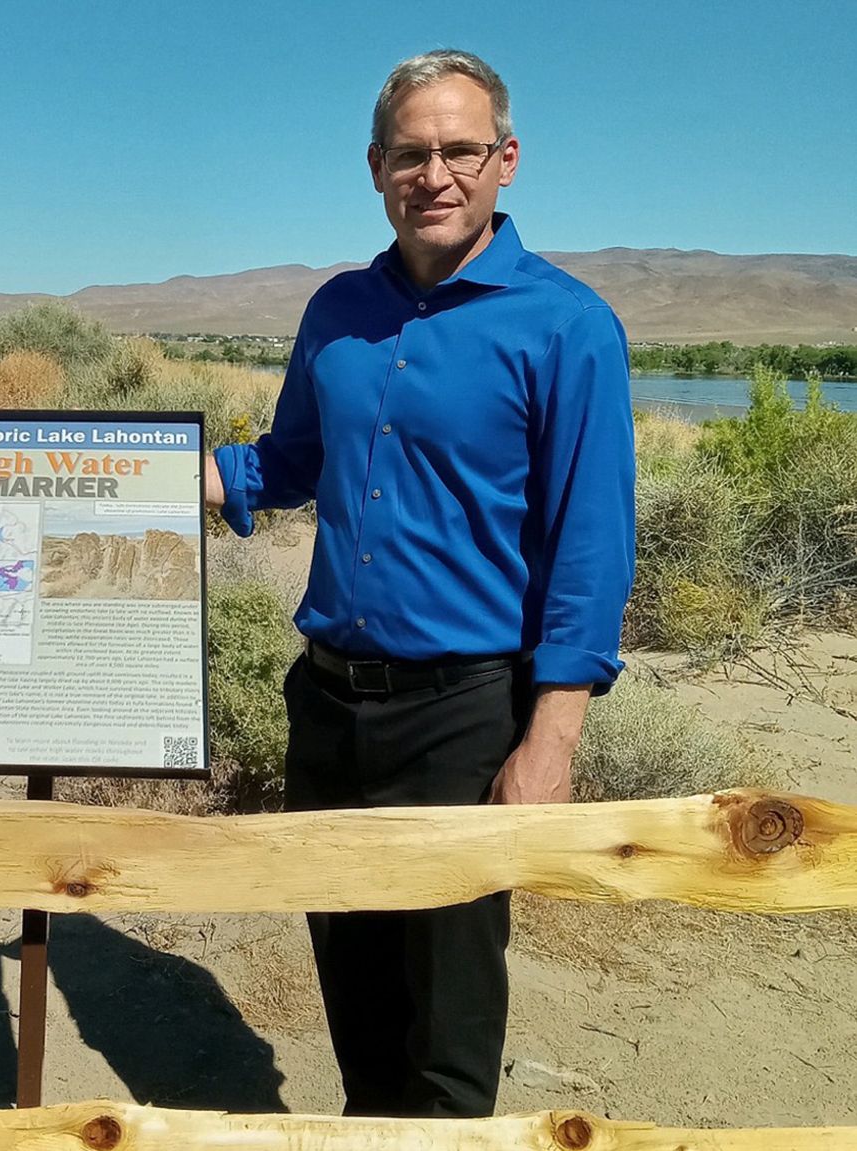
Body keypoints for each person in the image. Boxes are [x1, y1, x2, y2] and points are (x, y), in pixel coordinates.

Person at [202, 49, 635, 1118]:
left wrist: (551, 739)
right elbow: (289, 459)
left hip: (463, 711)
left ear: (506, 161)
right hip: (327, 701)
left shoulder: (566, 324)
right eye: (410, 153)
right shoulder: (338, 311)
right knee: (354, 991)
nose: (433, 174)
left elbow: (590, 544)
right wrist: (166, 474)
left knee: (446, 1019)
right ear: (375, 166)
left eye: (458, 149)